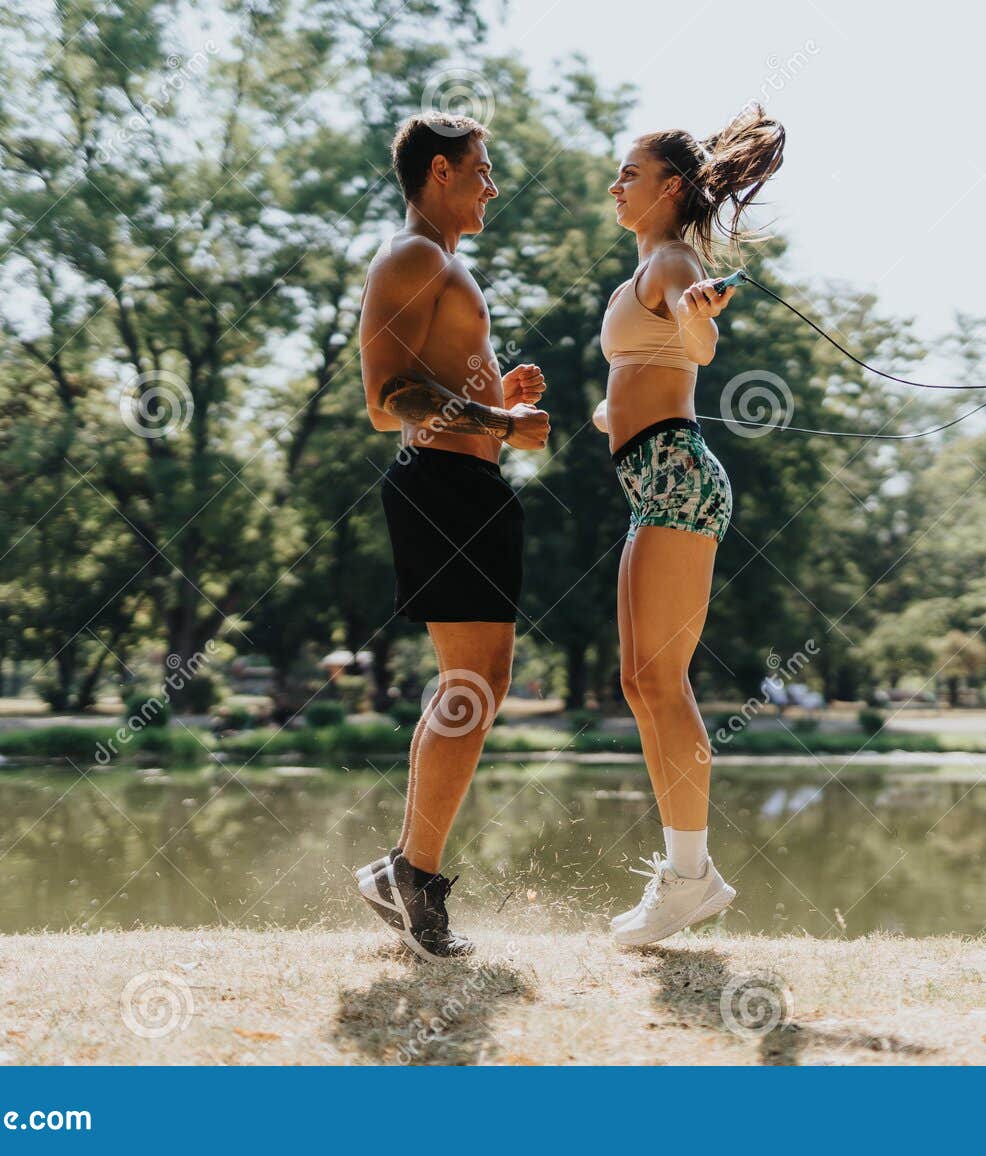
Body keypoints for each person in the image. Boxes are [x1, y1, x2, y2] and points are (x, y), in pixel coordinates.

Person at [354, 111, 551, 961]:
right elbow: (384, 396)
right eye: (482, 170)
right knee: (470, 687)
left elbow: (431, 380)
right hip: (441, 487)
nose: (492, 187)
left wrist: (491, 396)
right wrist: (499, 417)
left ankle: (408, 869)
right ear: (440, 172)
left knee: (482, 683)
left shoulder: (443, 265)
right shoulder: (411, 257)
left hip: (469, 482)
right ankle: (414, 876)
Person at [593, 102, 785, 947]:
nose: (615, 184)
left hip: (674, 478)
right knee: (644, 682)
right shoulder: (654, 264)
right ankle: (686, 875)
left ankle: (689, 877)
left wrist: (698, 314)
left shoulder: (673, 263)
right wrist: (612, 415)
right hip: (658, 477)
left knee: (655, 684)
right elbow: (657, 363)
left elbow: (694, 345)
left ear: (669, 188)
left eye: (629, 173)